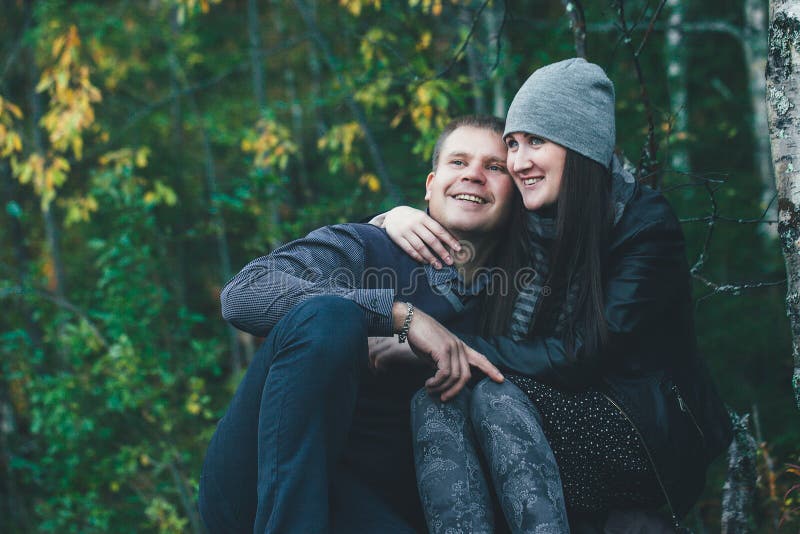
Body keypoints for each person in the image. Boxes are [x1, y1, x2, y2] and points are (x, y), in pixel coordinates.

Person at [379, 58, 733, 532]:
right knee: (436, 399)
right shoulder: (527, 221)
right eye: (513, 144)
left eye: (536, 142)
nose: (519, 161)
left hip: (643, 434)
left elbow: (581, 355)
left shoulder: (644, 226)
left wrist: (447, 345)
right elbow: (458, 214)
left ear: (580, 144)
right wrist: (389, 220)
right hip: (551, 406)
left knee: (490, 396)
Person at [198, 115, 544, 533]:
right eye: (458, 162)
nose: (473, 175)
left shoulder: (520, 295)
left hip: (363, 505)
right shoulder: (366, 245)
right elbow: (244, 294)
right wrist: (399, 317)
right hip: (257, 489)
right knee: (330, 315)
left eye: (494, 167)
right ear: (430, 186)